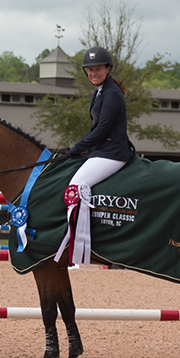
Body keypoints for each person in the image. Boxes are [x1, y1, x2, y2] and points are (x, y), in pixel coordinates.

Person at [55, 46, 136, 266]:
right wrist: (77, 147)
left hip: (113, 153)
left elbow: (101, 130)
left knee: (76, 186)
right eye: (89, 70)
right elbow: (94, 127)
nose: (93, 74)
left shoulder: (111, 94)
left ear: (108, 69)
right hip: (101, 151)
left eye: (98, 69)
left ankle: (79, 246)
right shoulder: (100, 90)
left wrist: (78, 147)